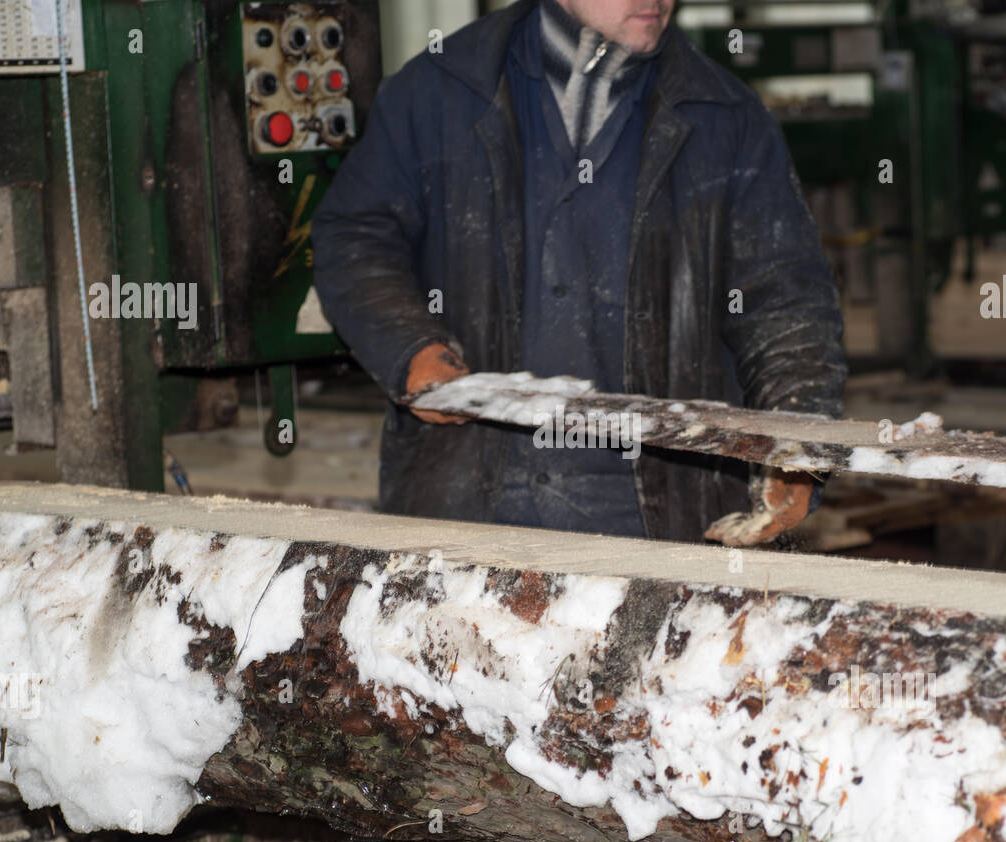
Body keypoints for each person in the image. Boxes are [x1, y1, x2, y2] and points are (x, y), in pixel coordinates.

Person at [313, 0, 845, 544]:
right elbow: (354, 236)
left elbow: (783, 301)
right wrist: (409, 348)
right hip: (466, 514)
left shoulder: (725, 116)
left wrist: (797, 446)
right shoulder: (438, 91)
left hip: (665, 527)